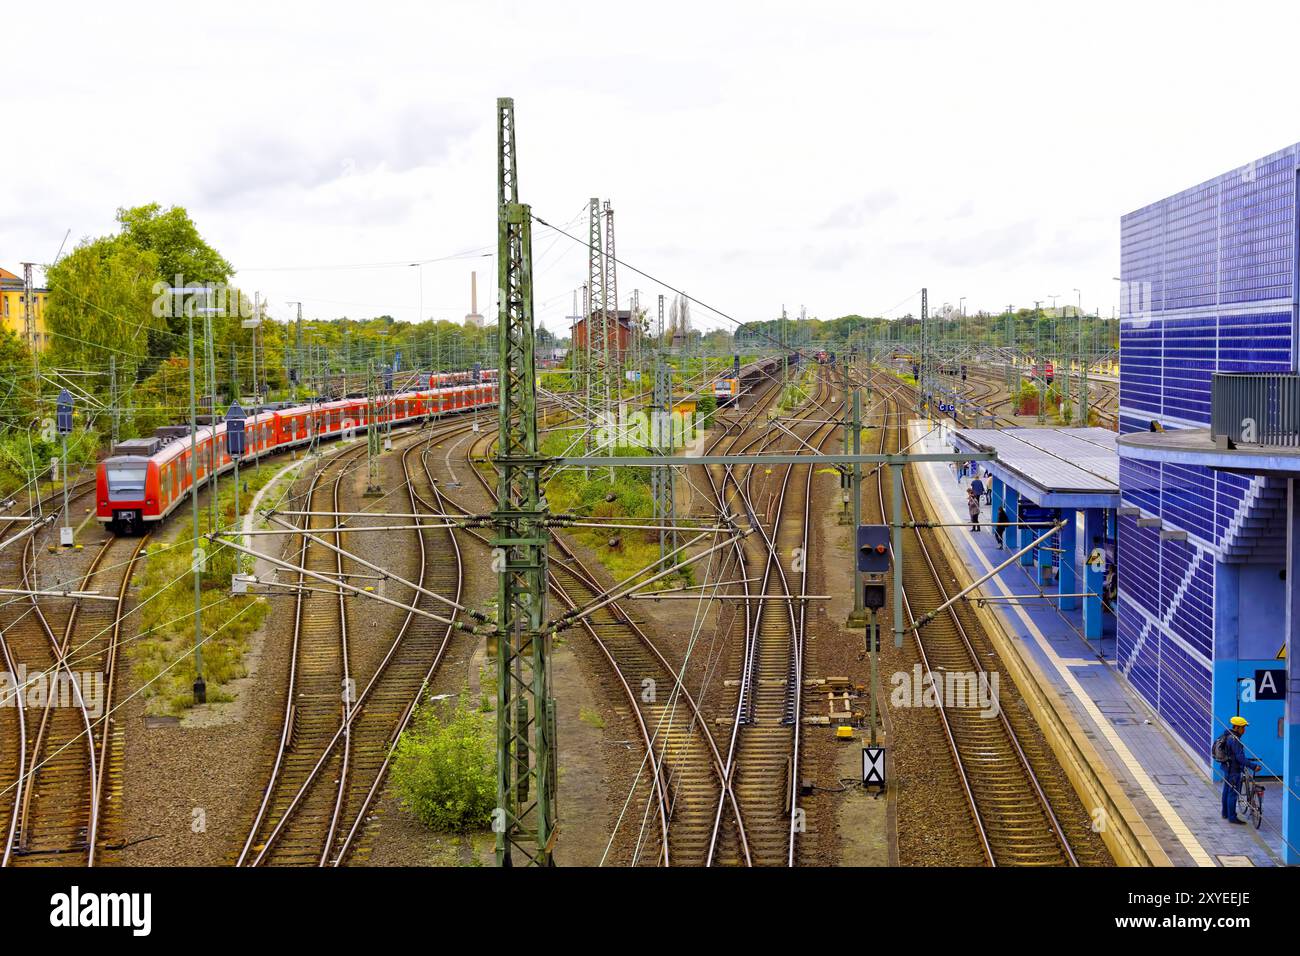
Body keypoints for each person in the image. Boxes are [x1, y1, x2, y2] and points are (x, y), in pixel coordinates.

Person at [1218, 716, 1261, 824]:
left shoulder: (1226, 735)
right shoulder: (1234, 740)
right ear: (1237, 727)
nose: (1244, 730)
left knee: (1226, 791)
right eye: (1243, 728)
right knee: (1232, 793)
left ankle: (1225, 813)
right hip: (1233, 770)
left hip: (1226, 768)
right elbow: (1240, 758)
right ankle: (1232, 817)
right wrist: (1253, 766)